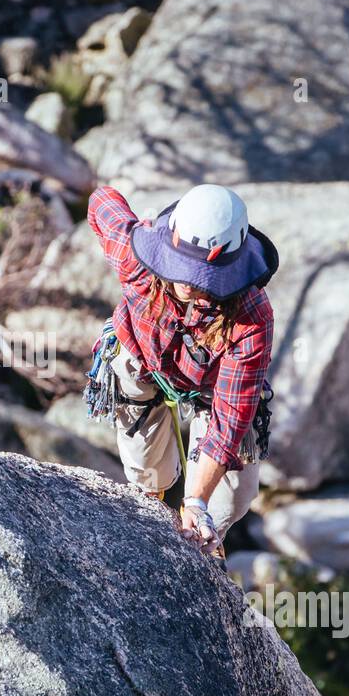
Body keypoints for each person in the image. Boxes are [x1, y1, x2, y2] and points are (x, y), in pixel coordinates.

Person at [84, 183, 277, 558]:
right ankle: (152, 514)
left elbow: (230, 417)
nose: (193, 285)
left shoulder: (252, 317)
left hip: (214, 388)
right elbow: (101, 201)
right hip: (142, 363)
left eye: (208, 281)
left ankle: (201, 543)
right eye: (186, 273)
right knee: (146, 475)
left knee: (230, 502)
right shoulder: (133, 253)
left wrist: (197, 502)